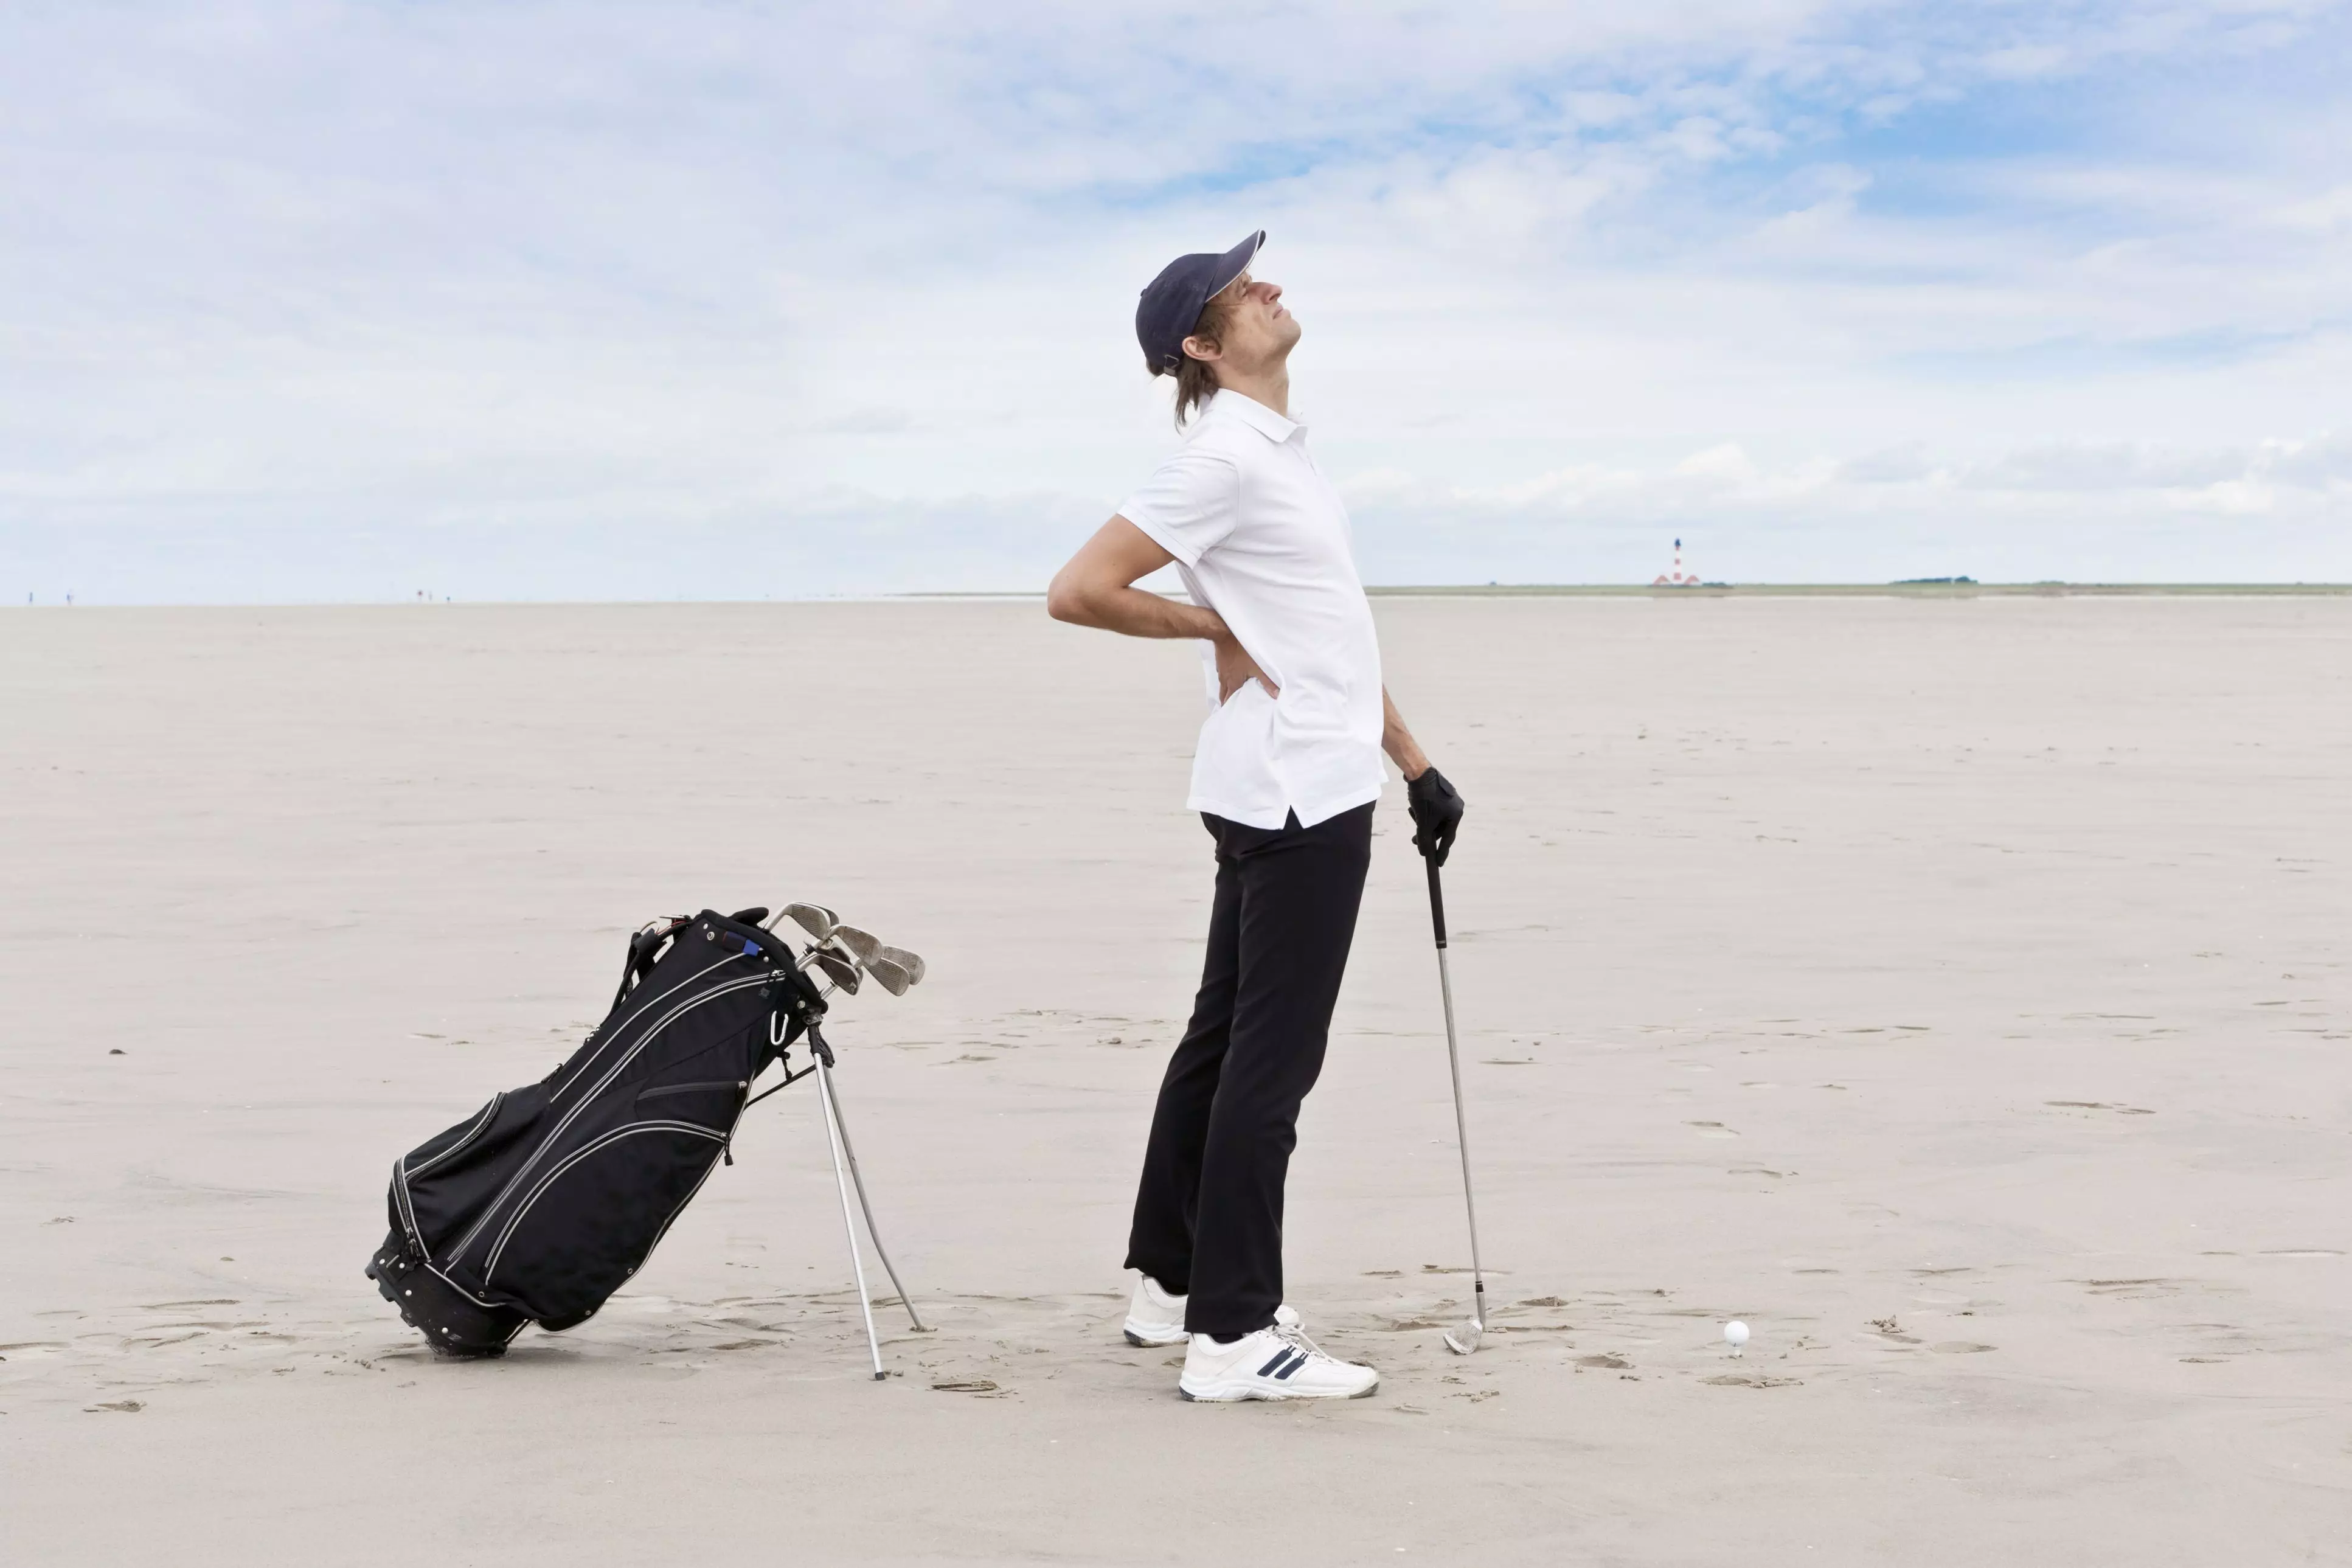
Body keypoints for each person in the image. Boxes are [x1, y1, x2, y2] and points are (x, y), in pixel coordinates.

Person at [1046, 231, 1465, 1402]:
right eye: (1242, 290)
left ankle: (1172, 1284)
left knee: (1223, 1040)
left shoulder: (1278, 453)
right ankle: (1233, 1336)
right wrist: (1218, 632)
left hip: (1287, 777)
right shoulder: (1226, 458)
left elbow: (1322, 630)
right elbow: (1078, 591)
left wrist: (1416, 765)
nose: (1269, 287)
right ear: (1202, 342)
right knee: (1270, 1065)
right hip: (1295, 795)